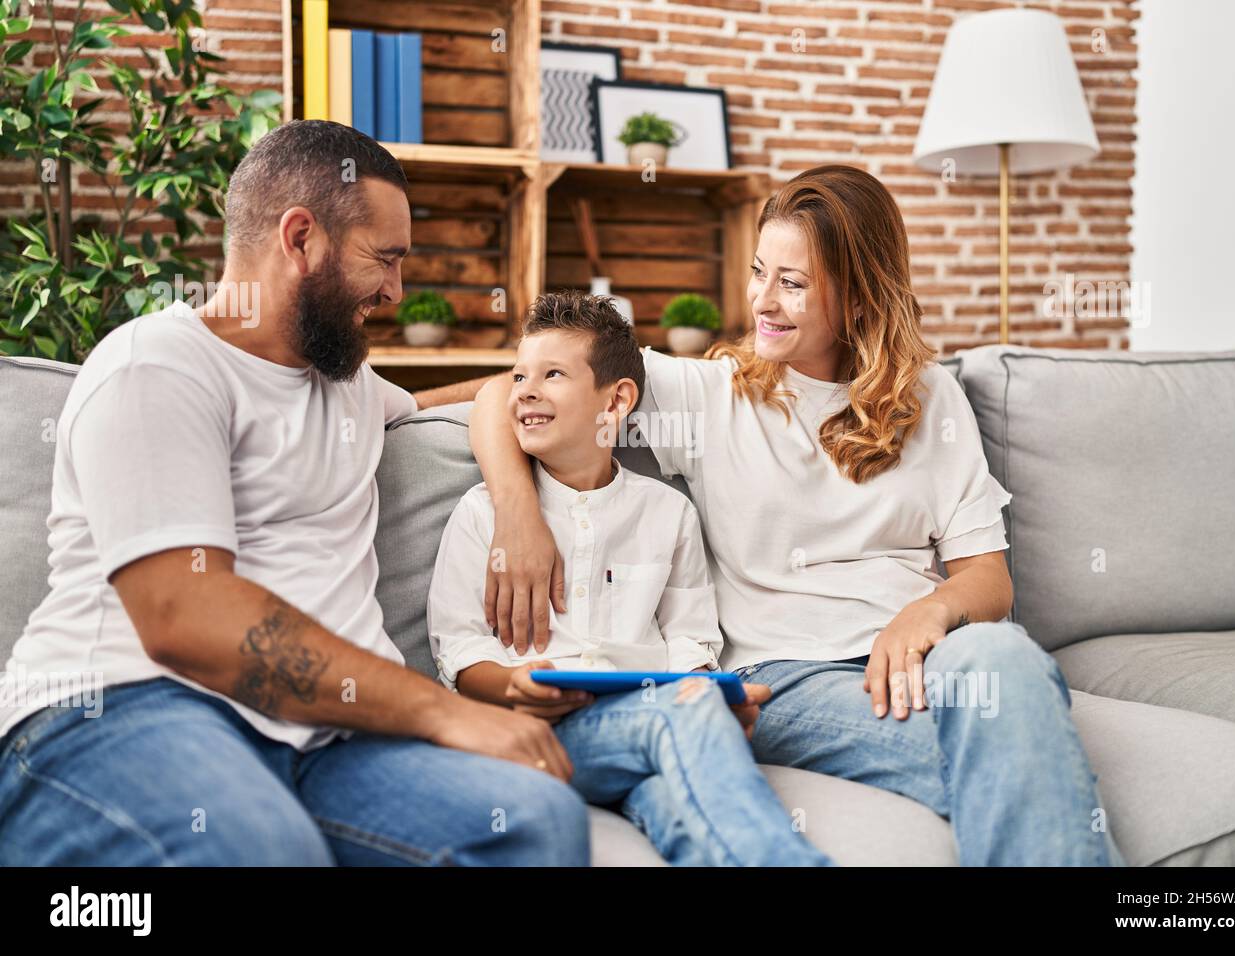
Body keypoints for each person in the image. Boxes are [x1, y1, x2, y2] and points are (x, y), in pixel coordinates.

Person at [466, 165, 1127, 866]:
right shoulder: (709, 396)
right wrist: (517, 515)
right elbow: (501, 393)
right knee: (1021, 749)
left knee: (1007, 656)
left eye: (794, 283)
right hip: (792, 677)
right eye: (760, 272)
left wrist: (924, 615)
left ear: (859, 292)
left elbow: (989, 582)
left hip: (929, 655)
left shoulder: (934, 399)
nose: (763, 301)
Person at [0, 120, 588, 867]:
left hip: (320, 737)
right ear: (302, 238)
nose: (396, 291)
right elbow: (187, 616)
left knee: (534, 820)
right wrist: (443, 713)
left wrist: (516, 508)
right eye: (386, 259)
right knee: (261, 850)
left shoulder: (345, 384)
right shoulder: (155, 368)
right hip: (123, 708)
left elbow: (495, 394)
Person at [429, 292, 833, 866]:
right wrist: (514, 684)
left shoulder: (669, 514)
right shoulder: (482, 514)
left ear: (616, 400)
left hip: (644, 728)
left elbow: (692, 640)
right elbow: (458, 645)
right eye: (520, 374)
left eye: (553, 375)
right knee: (687, 712)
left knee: (680, 801)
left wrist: (707, 692)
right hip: (536, 735)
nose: (525, 389)